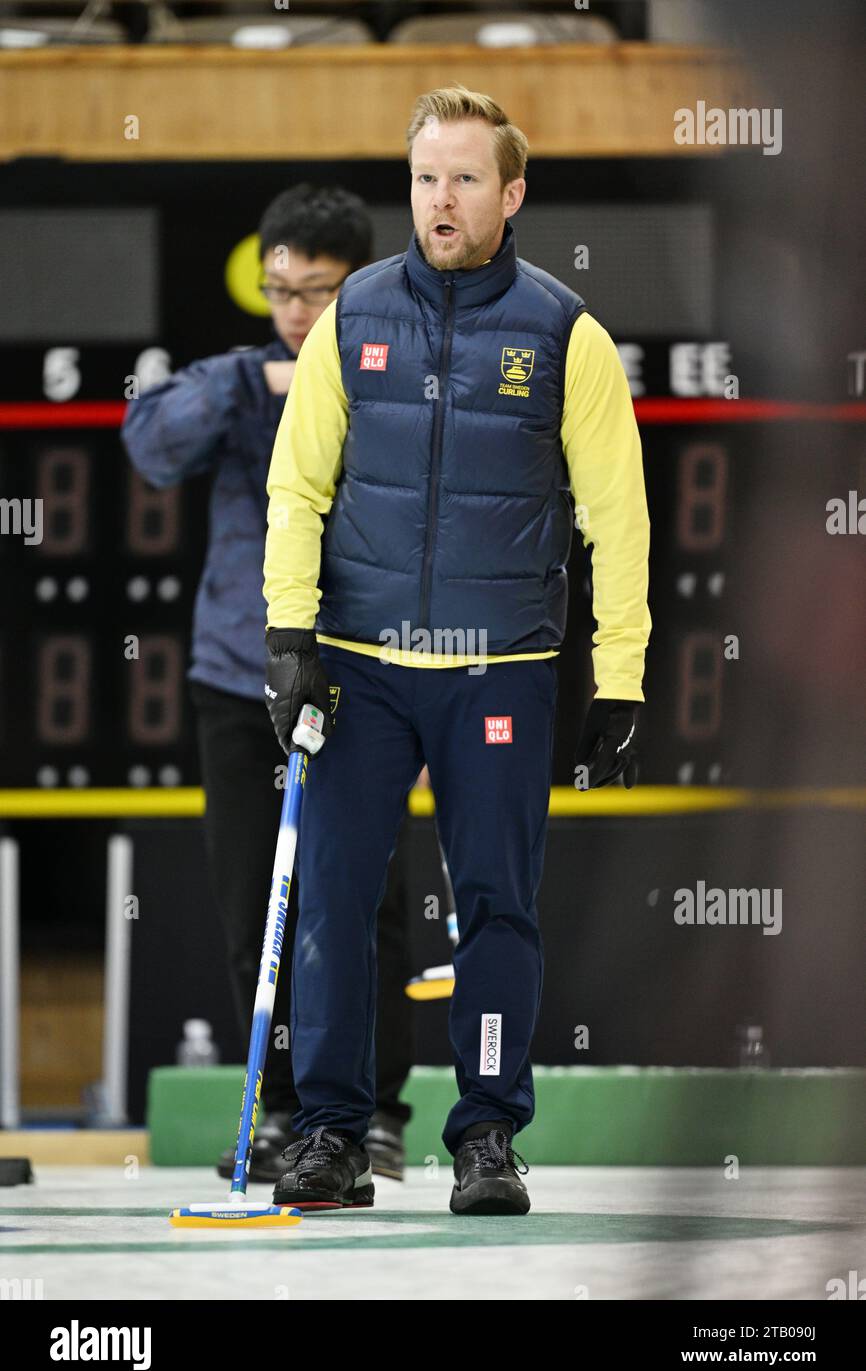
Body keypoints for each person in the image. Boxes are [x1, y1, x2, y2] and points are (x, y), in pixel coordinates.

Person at [262, 86, 651, 1215]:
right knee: (333, 902)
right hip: (358, 665)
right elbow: (297, 487)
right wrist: (286, 637)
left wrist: (616, 673)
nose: (440, 199)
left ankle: (485, 1135)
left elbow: (615, 517)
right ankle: (330, 1132)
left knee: (496, 907)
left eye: (465, 178)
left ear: (511, 191)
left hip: (500, 669)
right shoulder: (352, 317)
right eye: (426, 177)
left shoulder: (564, 333)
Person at [121, 185, 416, 1183]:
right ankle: (284, 1110)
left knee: (361, 900)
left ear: (358, 284)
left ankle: (372, 1113)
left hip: (359, 678)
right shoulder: (239, 376)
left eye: (315, 292)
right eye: (278, 290)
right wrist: (258, 382)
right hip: (235, 681)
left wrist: (339, 386)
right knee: (260, 907)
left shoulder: (392, 368)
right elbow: (147, 445)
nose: (293, 311)